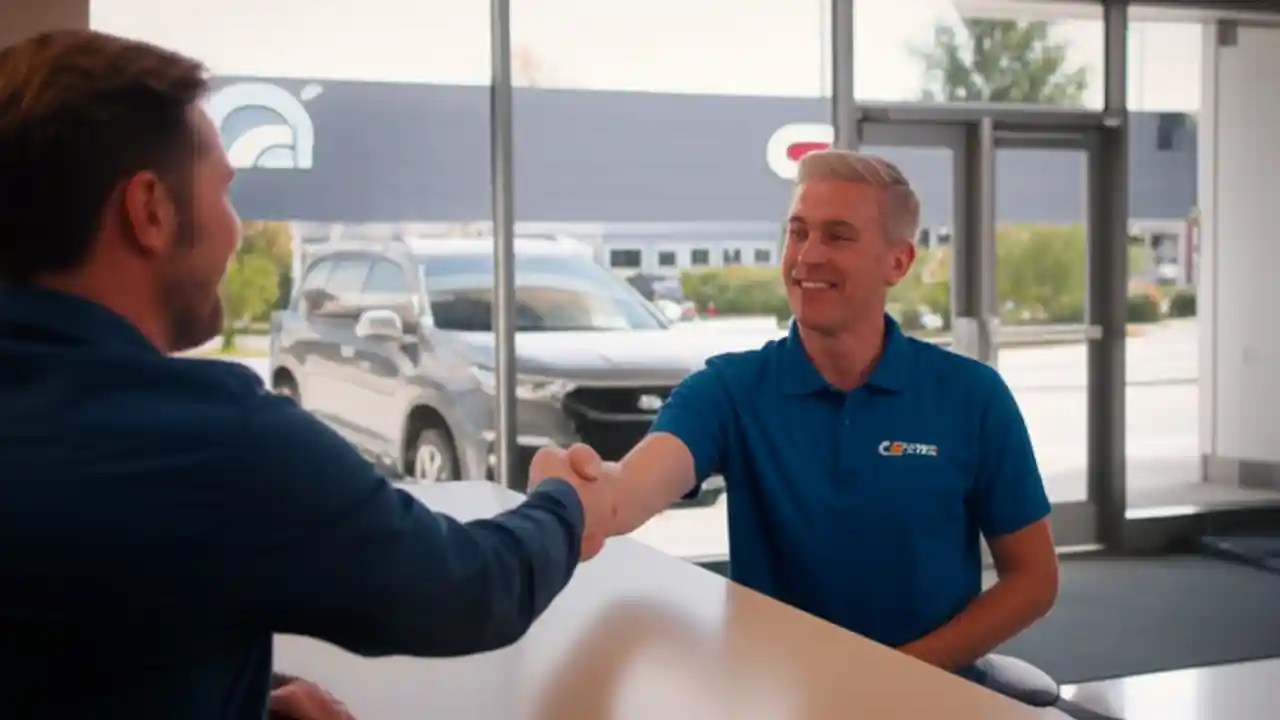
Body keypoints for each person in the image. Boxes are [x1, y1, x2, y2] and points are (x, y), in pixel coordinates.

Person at [0, 29, 614, 720]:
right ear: (150, 211)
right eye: (226, 194)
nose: (237, 230)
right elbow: (463, 590)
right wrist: (566, 506)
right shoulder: (205, 444)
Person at [573, 149, 1060, 686]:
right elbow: (633, 487)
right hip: (778, 699)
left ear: (897, 262)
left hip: (928, 698)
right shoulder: (729, 390)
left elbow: (1034, 579)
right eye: (798, 232)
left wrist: (901, 675)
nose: (806, 257)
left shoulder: (971, 396)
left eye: (838, 236)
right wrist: (584, 496)